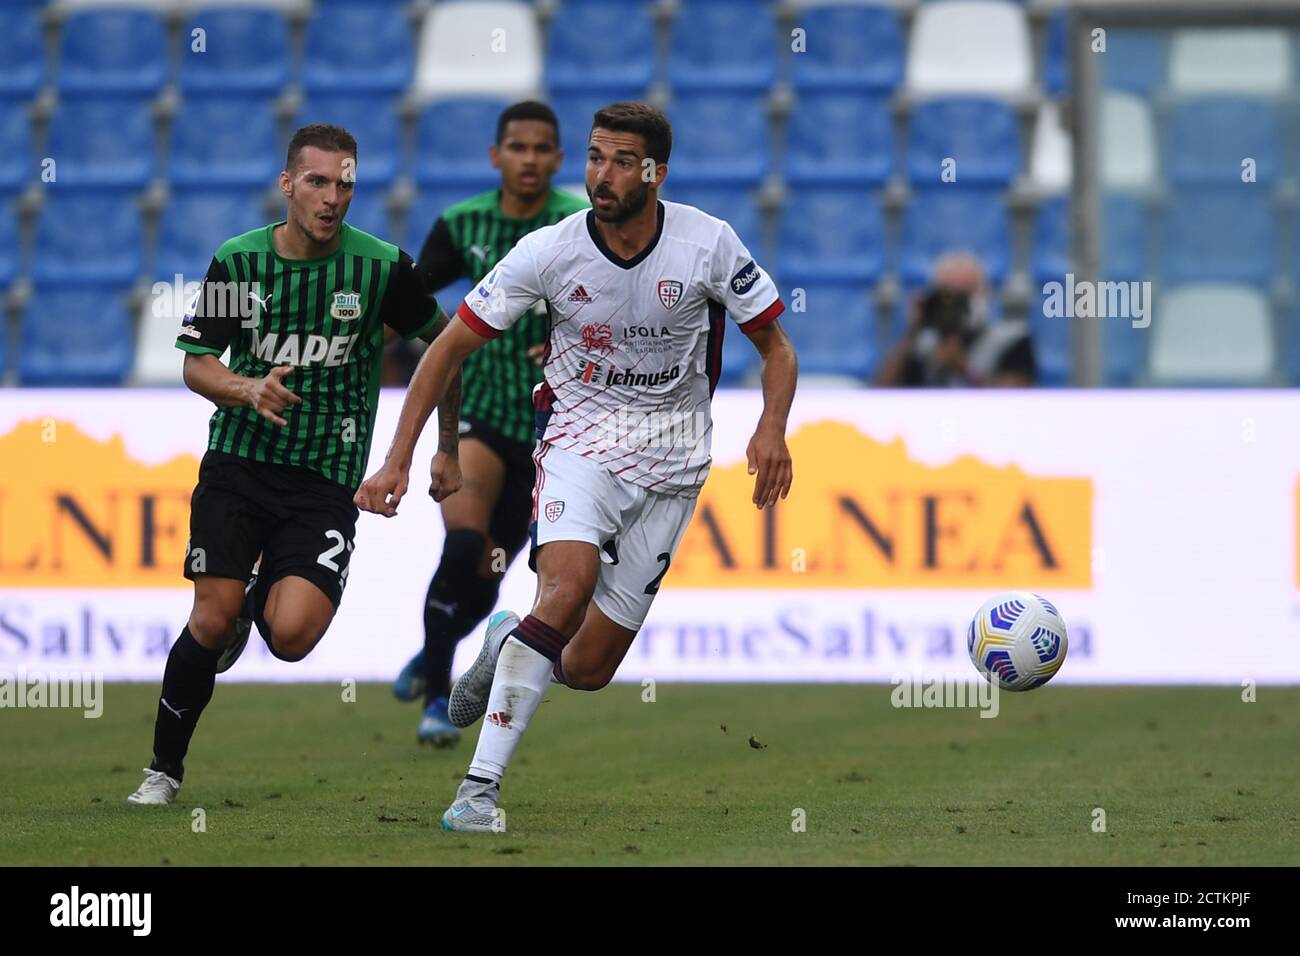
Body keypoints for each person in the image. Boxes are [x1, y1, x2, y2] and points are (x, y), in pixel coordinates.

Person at [356, 102, 799, 832]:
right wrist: (402, 455)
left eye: (623, 160)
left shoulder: (709, 244)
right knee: (565, 591)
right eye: (596, 156)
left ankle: (507, 637)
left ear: (656, 171)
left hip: (674, 459)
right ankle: (477, 792)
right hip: (578, 441)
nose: (604, 173)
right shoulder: (550, 250)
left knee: (588, 669)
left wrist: (772, 428)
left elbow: (777, 347)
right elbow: (446, 347)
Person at [127, 124, 462, 804]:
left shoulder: (382, 269)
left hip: (324, 481)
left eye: (345, 185)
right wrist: (247, 388)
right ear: (288, 184)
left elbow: (450, 348)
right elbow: (197, 364)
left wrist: (442, 448)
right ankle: (162, 771)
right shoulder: (238, 261)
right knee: (210, 619)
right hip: (239, 462)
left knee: (292, 637)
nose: (332, 197)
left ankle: (257, 604)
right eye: (317, 182)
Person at [390, 101, 589, 749]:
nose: (529, 159)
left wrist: (569, 337)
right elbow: (415, 305)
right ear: (496, 156)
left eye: (542, 149)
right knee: (464, 547)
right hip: (477, 411)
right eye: (517, 147)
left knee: (492, 574)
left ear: (558, 159)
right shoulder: (461, 224)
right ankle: (437, 693)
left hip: (550, 426)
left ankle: (430, 649)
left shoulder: (578, 225)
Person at [875, 252, 1036, 387]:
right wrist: (912, 330)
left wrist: (964, 368)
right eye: (946, 295)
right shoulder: (922, 345)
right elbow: (881, 395)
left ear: (986, 294)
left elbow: (1015, 401)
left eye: (964, 294)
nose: (955, 305)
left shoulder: (1012, 340)